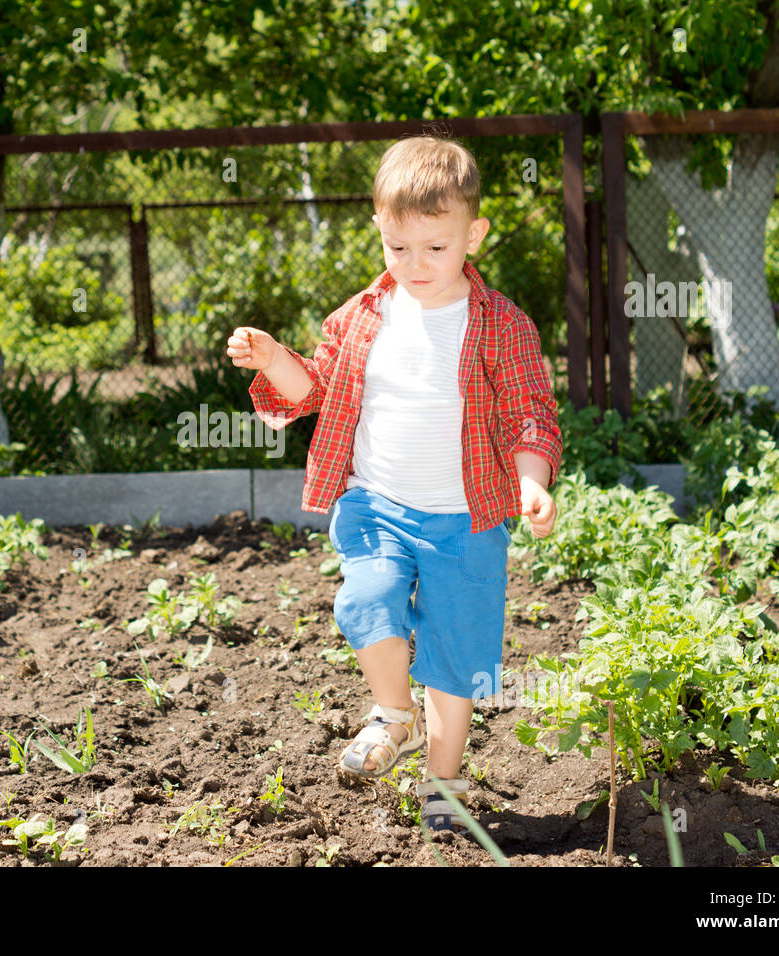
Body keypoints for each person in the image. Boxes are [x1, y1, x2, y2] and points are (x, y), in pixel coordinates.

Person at [224, 134, 561, 837]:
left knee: (456, 660)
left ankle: (444, 785)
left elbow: (531, 413)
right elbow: (310, 390)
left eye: (435, 248)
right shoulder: (362, 316)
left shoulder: (500, 325)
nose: (415, 266)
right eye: (398, 248)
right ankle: (392, 713)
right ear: (379, 229)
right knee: (366, 597)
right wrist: (274, 356)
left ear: (474, 234)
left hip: (468, 520)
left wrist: (532, 483)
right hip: (376, 504)